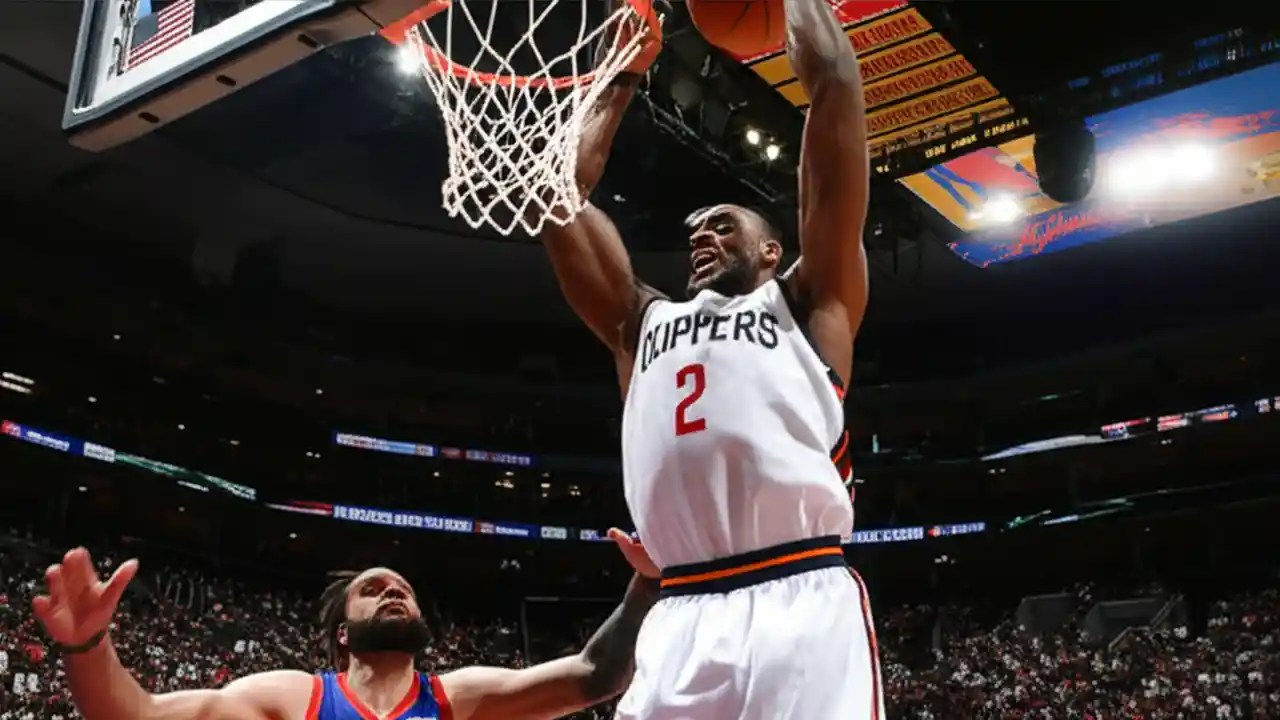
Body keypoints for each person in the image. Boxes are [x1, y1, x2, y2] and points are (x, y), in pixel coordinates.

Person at [538, 0, 881, 716]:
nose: (701, 235)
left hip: (799, 592)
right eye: (693, 229)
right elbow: (554, 193)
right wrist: (624, 74)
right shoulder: (640, 323)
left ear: (770, 250)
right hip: (682, 607)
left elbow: (835, 87)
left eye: (723, 225)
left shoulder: (811, 301)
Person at [31, 529, 660, 720]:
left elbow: (595, 673)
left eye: (403, 591)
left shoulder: (458, 699)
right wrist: (86, 644)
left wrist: (649, 582)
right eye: (373, 589)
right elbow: (132, 716)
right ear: (342, 632)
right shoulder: (291, 699)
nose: (392, 592)